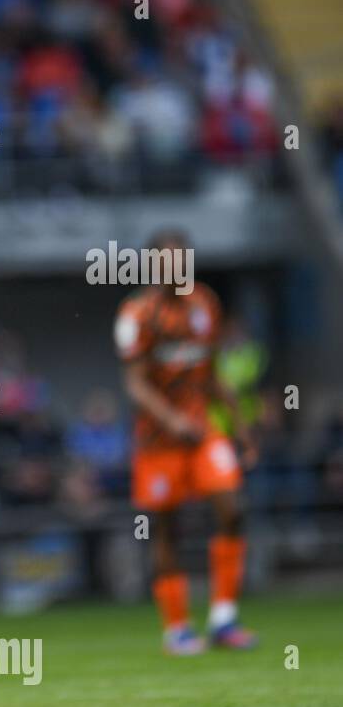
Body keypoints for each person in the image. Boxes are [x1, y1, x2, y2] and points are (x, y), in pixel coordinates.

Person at [114, 230, 257, 654]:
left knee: (232, 507)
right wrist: (172, 419)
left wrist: (239, 428)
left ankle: (224, 618)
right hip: (159, 441)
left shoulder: (204, 304)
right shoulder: (136, 314)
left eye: (183, 260)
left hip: (203, 433)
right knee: (165, 529)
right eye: (168, 262)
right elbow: (135, 384)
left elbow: (212, 373)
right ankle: (177, 628)